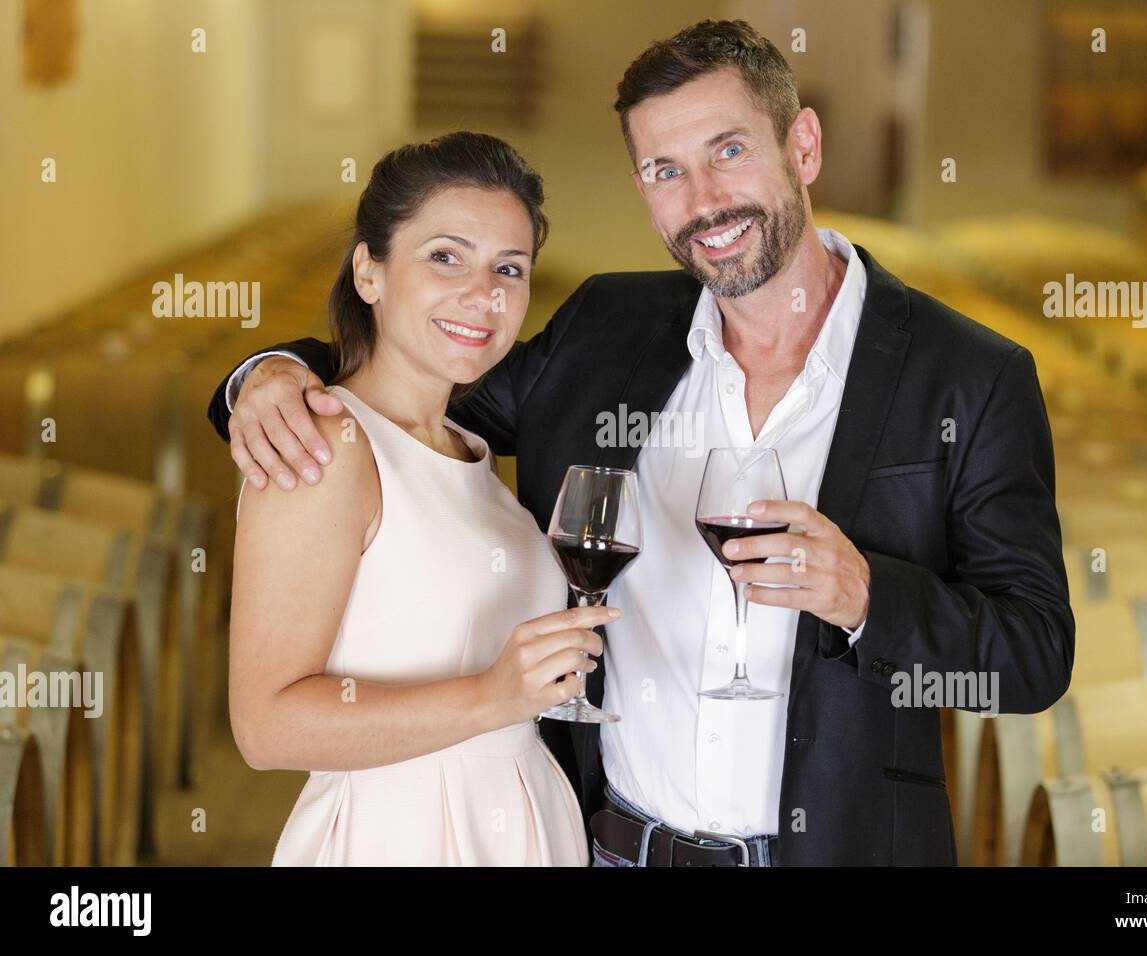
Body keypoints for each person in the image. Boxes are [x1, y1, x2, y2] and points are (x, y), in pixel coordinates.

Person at [211, 20, 1074, 866]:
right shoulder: (608, 330)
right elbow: (418, 379)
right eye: (667, 170)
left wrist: (866, 597)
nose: (703, 200)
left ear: (803, 147)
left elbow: (1034, 654)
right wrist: (267, 373)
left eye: (728, 150)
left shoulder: (968, 375)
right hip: (609, 846)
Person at [227, 131, 608, 866]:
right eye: (445, 257)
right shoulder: (325, 443)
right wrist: (490, 698)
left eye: (510, 268)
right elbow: (264, 727)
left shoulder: (473, 449)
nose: (485, 293)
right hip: (401, 834)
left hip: (524, 822)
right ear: (368, 272)